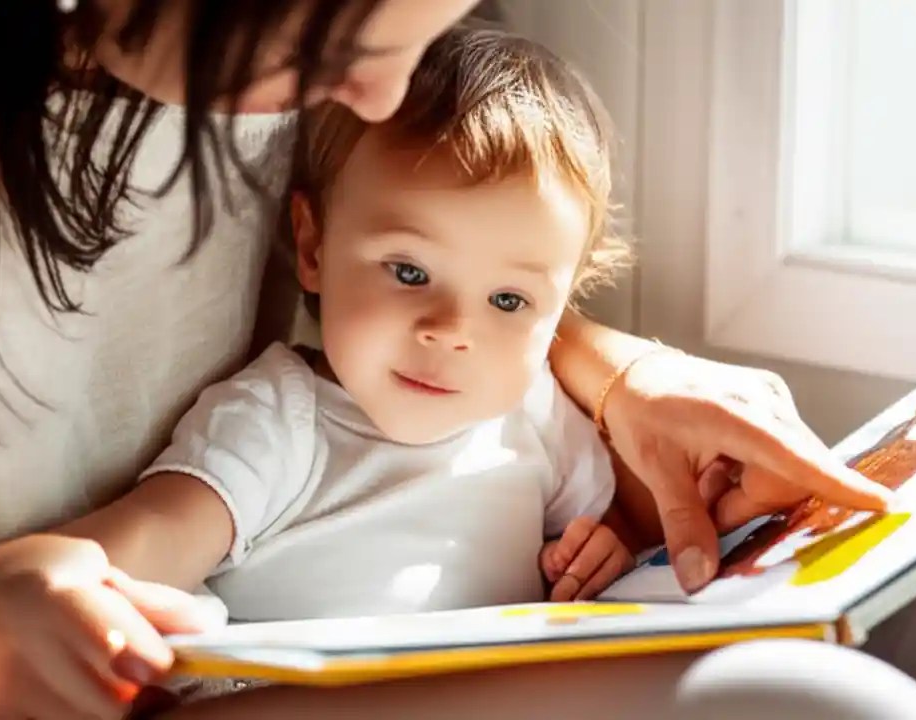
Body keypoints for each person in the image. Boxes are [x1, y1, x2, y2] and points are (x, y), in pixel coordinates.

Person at [0, 2, 916, 720]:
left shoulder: (320, 85)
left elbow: (452, 275)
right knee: (780, 703)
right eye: (357, 32)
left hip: (477, 636)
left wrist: (615, 381)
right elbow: (156, 535)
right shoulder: (269, 419)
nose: (384, 89)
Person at [63, 26, 640, 618]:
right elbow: (160, 533)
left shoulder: (537, 416)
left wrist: (602, 551)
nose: (451, 330)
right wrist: (64, 578)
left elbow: (612, 520)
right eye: (410, 272)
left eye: (510, 301)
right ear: (314, 249)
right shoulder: (279, 420)